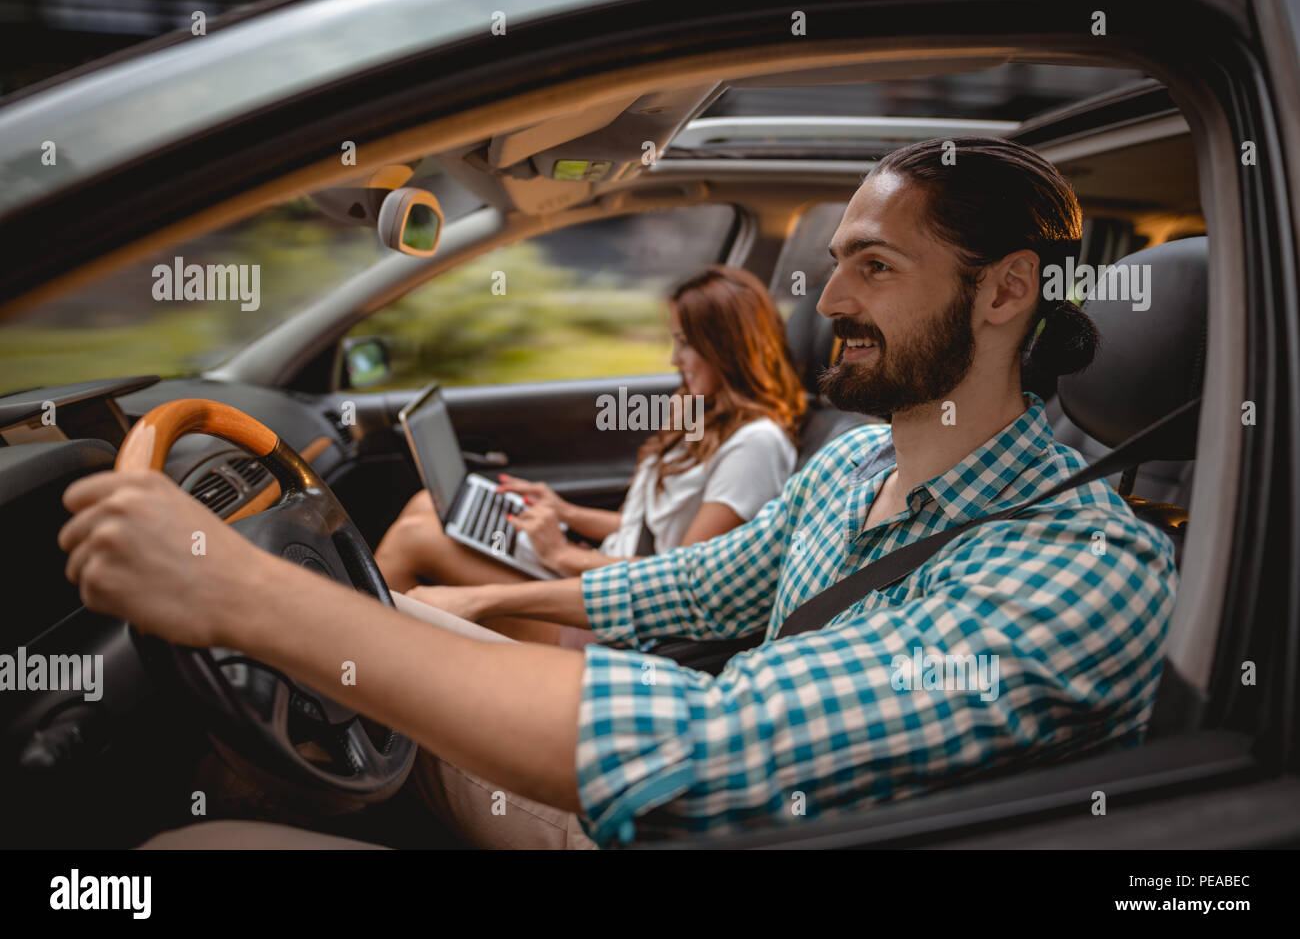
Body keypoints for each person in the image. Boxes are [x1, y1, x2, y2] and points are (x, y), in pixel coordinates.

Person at [60, 137, 1177, 850]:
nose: (826, 294)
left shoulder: (1087, 567)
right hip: (667, 790)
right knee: (320, 724)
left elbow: (721, 746)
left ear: (1006, 293)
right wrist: (471, 608)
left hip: (701, 808)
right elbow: (685, 589)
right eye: (838, 258)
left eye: (875, 264)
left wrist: (244, 594)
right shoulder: (850, 465)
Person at [372, 265, 806, 645]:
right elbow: (647, 526)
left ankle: (348, 670)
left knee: (417, 539)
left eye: (685, 343)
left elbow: (682, 581)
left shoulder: (757, 445)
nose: (674, 359)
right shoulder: (705, 414)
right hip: (598, 576)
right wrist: (565, 511)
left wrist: (560, 553)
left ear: (728, 348)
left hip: (621, 620)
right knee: (425, 505)